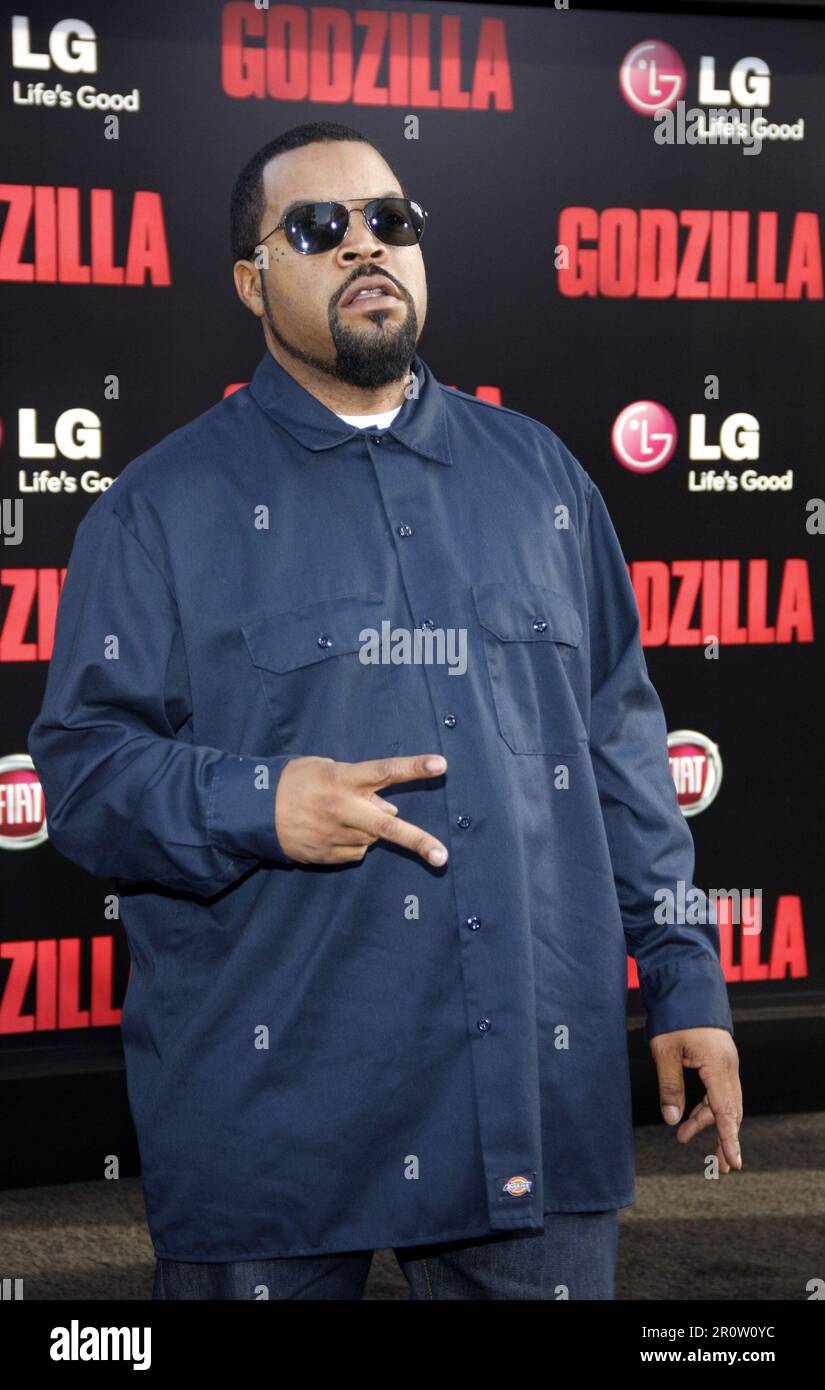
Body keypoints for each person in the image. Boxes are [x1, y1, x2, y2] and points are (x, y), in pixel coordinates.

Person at [28, 120, 742, 1302]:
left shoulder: (545, 481)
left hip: (525, 1110)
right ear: (253, 281)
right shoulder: (156, 513)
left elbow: (622, 750)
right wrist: (261, 801)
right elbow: (85, 778)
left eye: (391, 221)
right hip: (272, 1130)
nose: (367, 246)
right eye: (320, 227)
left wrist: (684, 977)